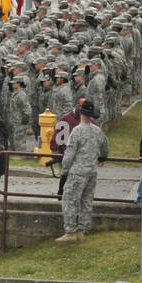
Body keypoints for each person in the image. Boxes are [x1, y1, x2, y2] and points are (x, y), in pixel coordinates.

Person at [56, 99, 109, 243]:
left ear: (80, 113)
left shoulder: (77, 131)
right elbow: (105, 147)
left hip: (77, 172)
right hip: (92, 171)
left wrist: (64, 172)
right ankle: (82, 230)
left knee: (69, 201)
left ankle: (70, 231)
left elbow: (69, 154)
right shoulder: (97, 130)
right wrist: (102, 158)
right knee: (86, 201)